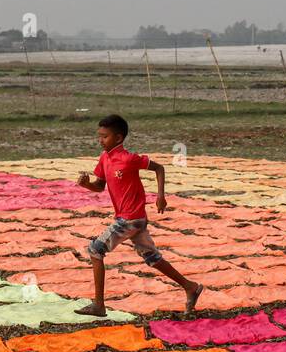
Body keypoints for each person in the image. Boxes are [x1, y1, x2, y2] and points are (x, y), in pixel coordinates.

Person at [74, 114, 203, 316]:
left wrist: (160, 196)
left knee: (95, 250)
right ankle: (190, 287)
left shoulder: (129, 159)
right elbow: (99, 186)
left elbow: (159, 168)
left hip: (131, 219)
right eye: (99, 136)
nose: (100, 140)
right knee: (152, 258)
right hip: (132, 219)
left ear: (118, 138)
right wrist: (86, 184)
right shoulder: (104, 159)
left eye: (104, 136)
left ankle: (99, 305)